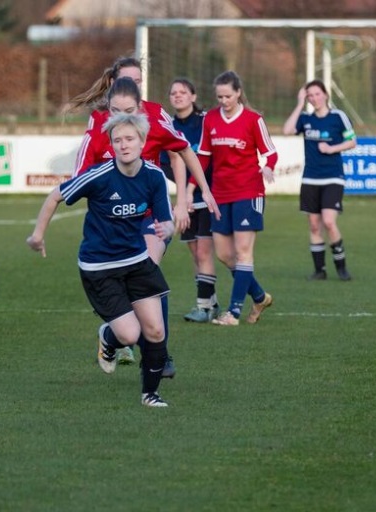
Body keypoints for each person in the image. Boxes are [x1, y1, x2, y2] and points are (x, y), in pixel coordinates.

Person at [68, 57, 219, 372]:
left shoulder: (154, 116)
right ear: (114, 84)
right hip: (113, 224)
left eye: (138, 81)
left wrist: (198, 192)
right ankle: (116, 335)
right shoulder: (100, 124)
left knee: (148, 274)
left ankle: (160, 354)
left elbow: (181, 150)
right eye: (128, 80)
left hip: (149, 216)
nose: (134, 85)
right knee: (130, 289)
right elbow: (80, 177)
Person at [27, 112, 175, 407]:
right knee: (130, 335)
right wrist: (37, 235)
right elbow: (55, 196)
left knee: (156, 330)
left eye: (129, 139)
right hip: (99, 267)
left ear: (143, 141)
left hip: (136, 261)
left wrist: (167, 229)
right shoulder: (99, 175)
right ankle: (108, 336)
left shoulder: (154, 176)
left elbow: (166, 220)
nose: (123, 145)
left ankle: (150, 394)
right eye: (117, 140)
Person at [196, 71, 277, 326]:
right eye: (219, 97)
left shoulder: (253, 119)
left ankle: (233, 312)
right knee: (224, 255)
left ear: (238, 93)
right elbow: (203, 157)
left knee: (243, 252)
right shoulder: (210, 119)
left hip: (248, 192)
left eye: (228, 96)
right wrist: (194, 187)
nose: (224, 101)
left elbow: (270, 152)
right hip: (220, 194)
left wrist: (268, 167)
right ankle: (260, 297)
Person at [282, 80, 357, 281]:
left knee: (329, 222)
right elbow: (287, 130)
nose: (314, 98)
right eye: (310, 95)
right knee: (314, 225)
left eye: (317, 94)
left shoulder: (338, 116)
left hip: (333, 177)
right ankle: (319, 271)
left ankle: (341, 267)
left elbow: (352, 141)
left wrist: (332, 148)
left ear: (325, 94)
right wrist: (299, 104)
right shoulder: (305, 119)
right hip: (310, 178)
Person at [160, 78, 220, 323]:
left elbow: (211, 158)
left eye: (183, 92)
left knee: (204, 251)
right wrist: (183, 192)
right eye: (173, 92)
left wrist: (195, 186)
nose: (177, 95)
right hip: (185, 200)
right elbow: (166, 164)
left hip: (209, 195)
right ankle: (211, 303)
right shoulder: (168, 126)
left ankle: (203, 307)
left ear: (193, 96)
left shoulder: (205, 121)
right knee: (196, 253)